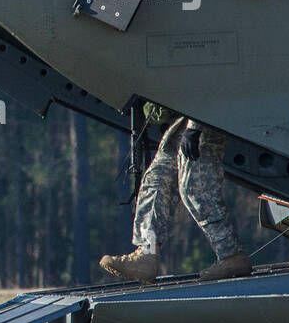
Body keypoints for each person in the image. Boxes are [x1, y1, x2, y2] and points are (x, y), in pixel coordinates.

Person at [100, 103, 251, 284]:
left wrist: (195, 128)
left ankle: (231, 255)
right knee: (157, 178)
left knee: (195, 188)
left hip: (206, 113)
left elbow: (206, 80)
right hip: (187, 115)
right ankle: (146, 256)